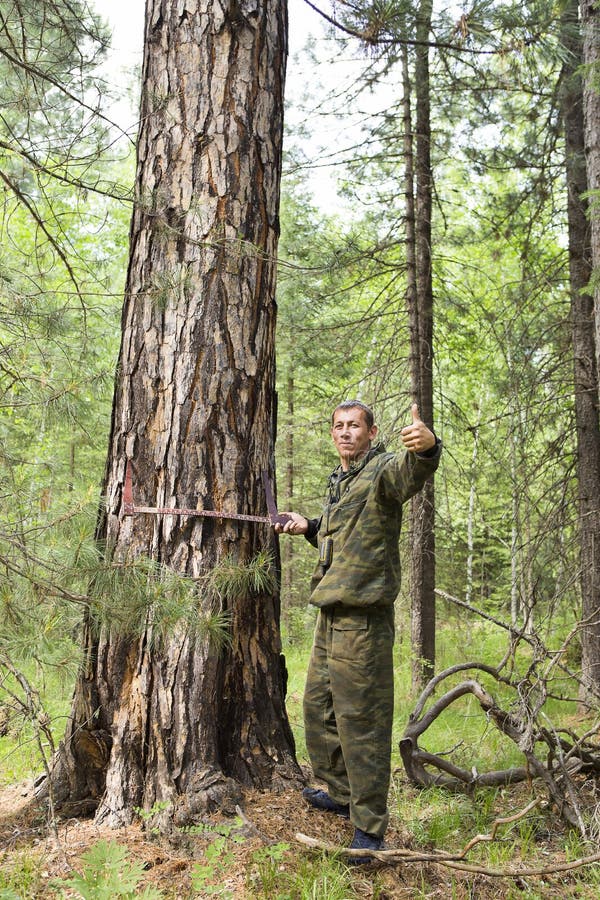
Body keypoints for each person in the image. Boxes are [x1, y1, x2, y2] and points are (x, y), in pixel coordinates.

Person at [275, 399, 442, 863]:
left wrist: (426, 448)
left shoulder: (384, 470)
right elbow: (340, 531)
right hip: (331, 616)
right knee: (318, 711)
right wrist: (308, 525)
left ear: (371, 432)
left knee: (361, 725)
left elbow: (411, 474)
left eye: (354, 426)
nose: (345, 433)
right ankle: (343, 793)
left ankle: (369, 830)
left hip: (363, 621)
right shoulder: (342, 479)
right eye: (338, 426)